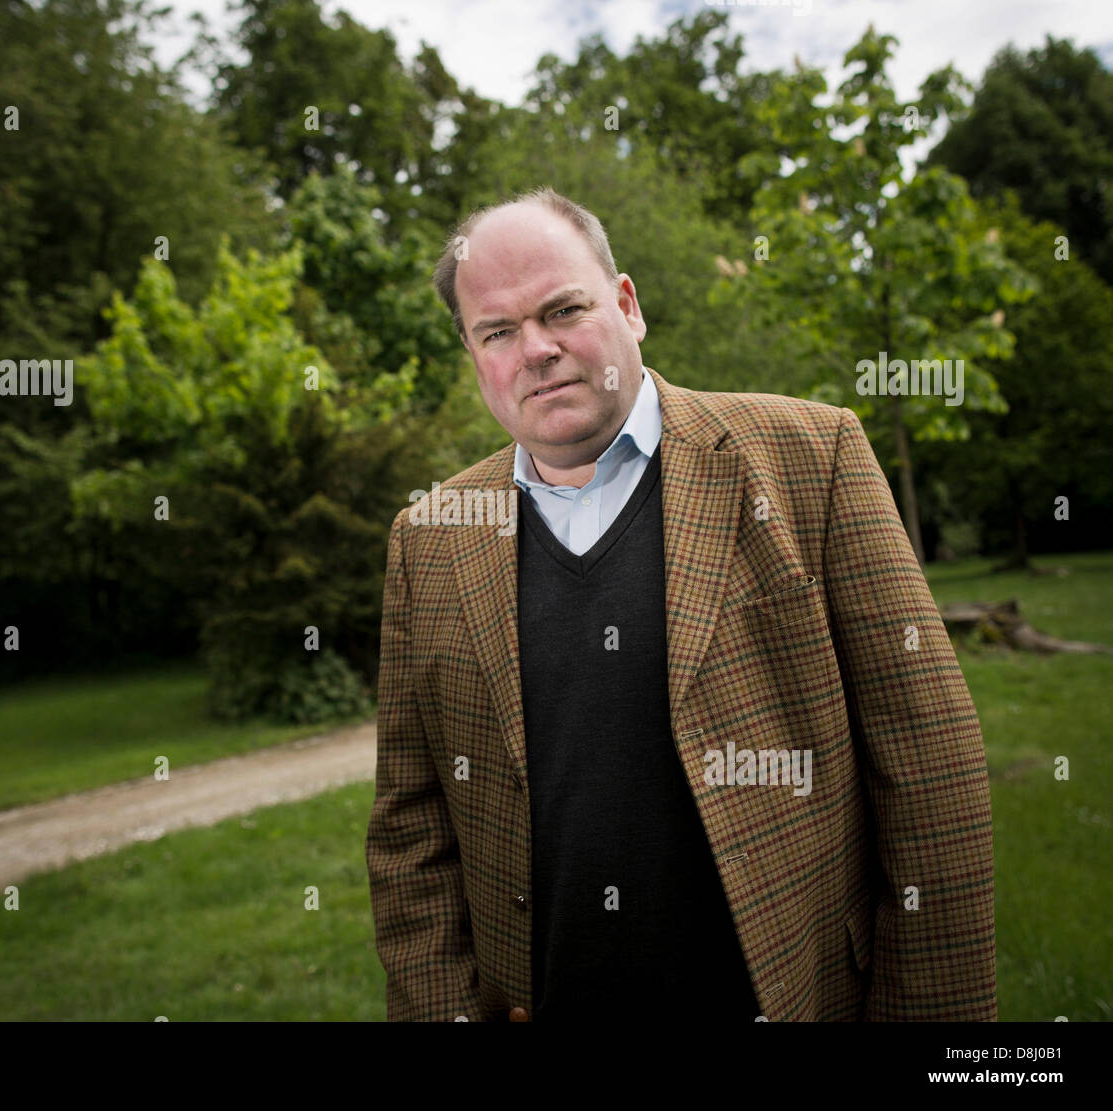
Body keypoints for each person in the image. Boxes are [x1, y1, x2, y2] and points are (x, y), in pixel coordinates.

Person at [364, 186, 995, 1022]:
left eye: (563, 309)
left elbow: (931, 768)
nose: (537, 349)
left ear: (627, 305)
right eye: (498, 331)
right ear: (474, 352)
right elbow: (411, 834)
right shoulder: (429, 535)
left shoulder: (814, 457)